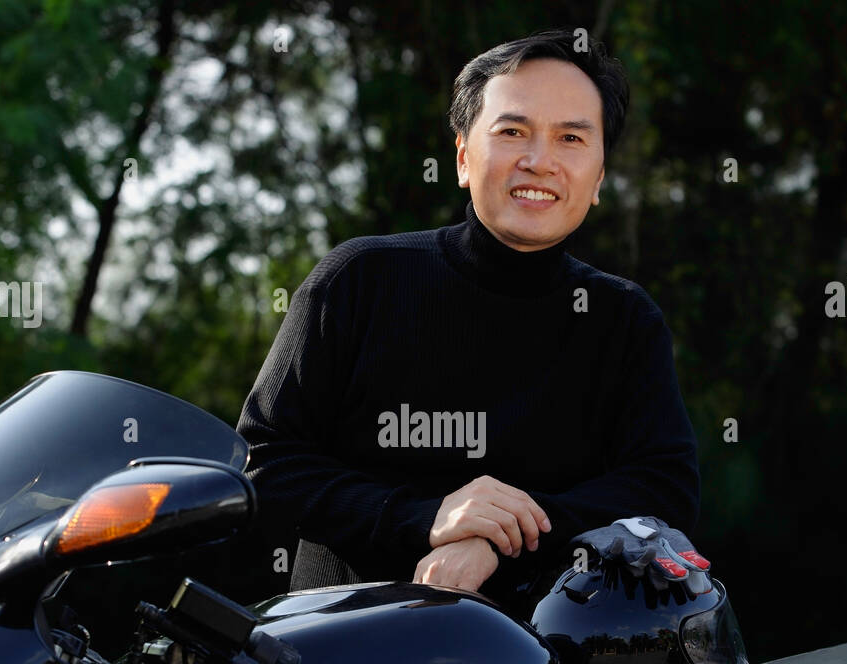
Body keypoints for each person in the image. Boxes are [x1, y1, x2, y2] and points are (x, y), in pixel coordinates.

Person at [235, 28, 699, 619]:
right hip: (329, 662)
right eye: (512, 132)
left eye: (571, 138)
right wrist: (425, 518)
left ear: (600, 176)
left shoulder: (624, 320)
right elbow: (264, 459)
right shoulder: (361, 279)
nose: (540, 160)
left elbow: (665, 492)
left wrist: (501, 535)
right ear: (461, 157)